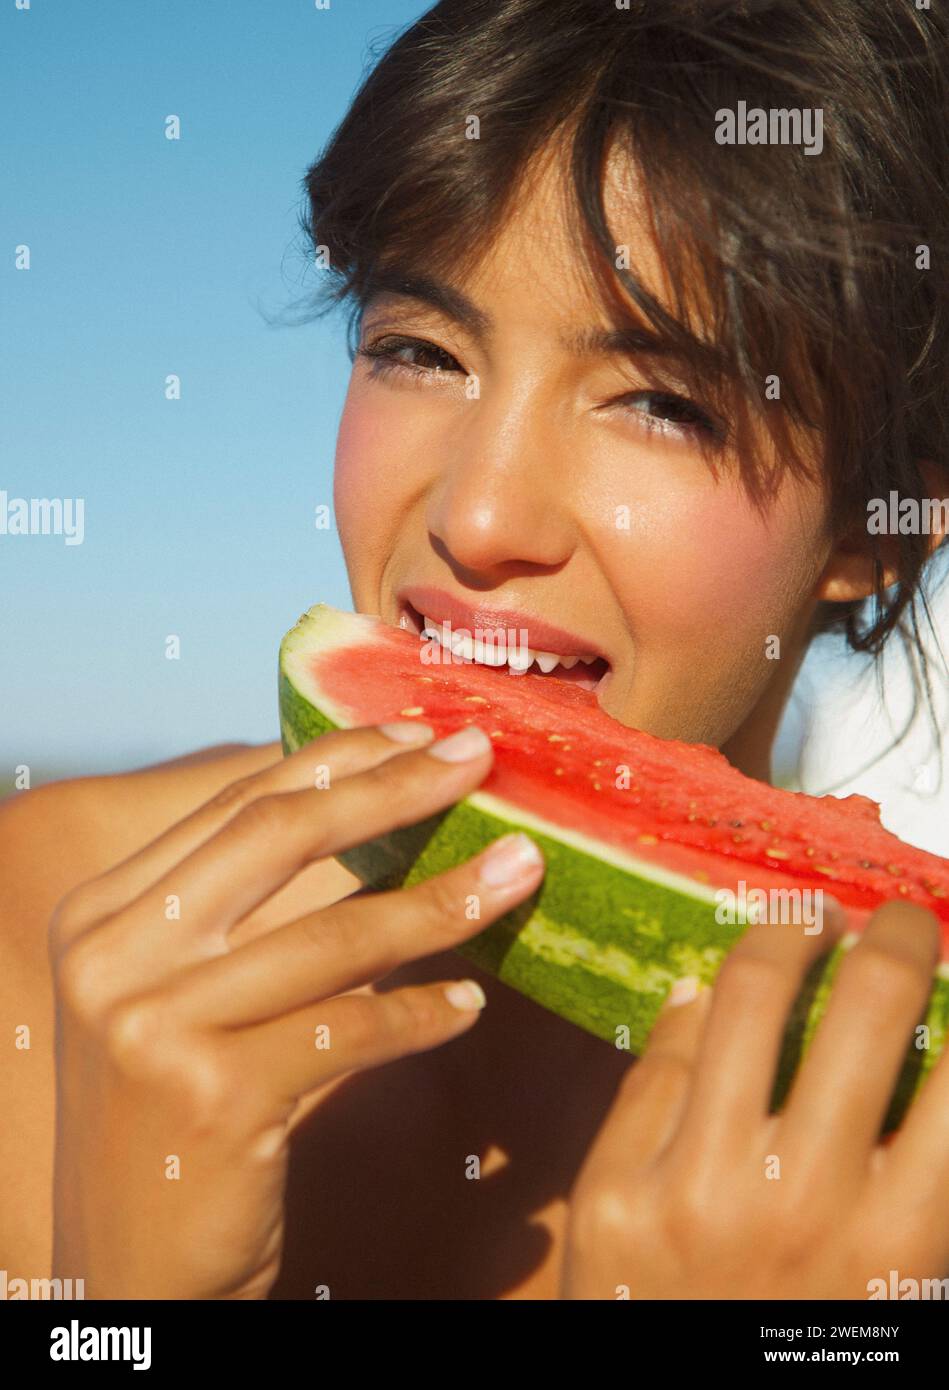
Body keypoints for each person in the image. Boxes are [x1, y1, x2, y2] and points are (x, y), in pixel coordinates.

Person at [2, 0, 948, 1299]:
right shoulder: (38, 939)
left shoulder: (915, 1150)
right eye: (418, 350)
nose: (475, 514)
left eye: (661, 403)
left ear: (878, 529)